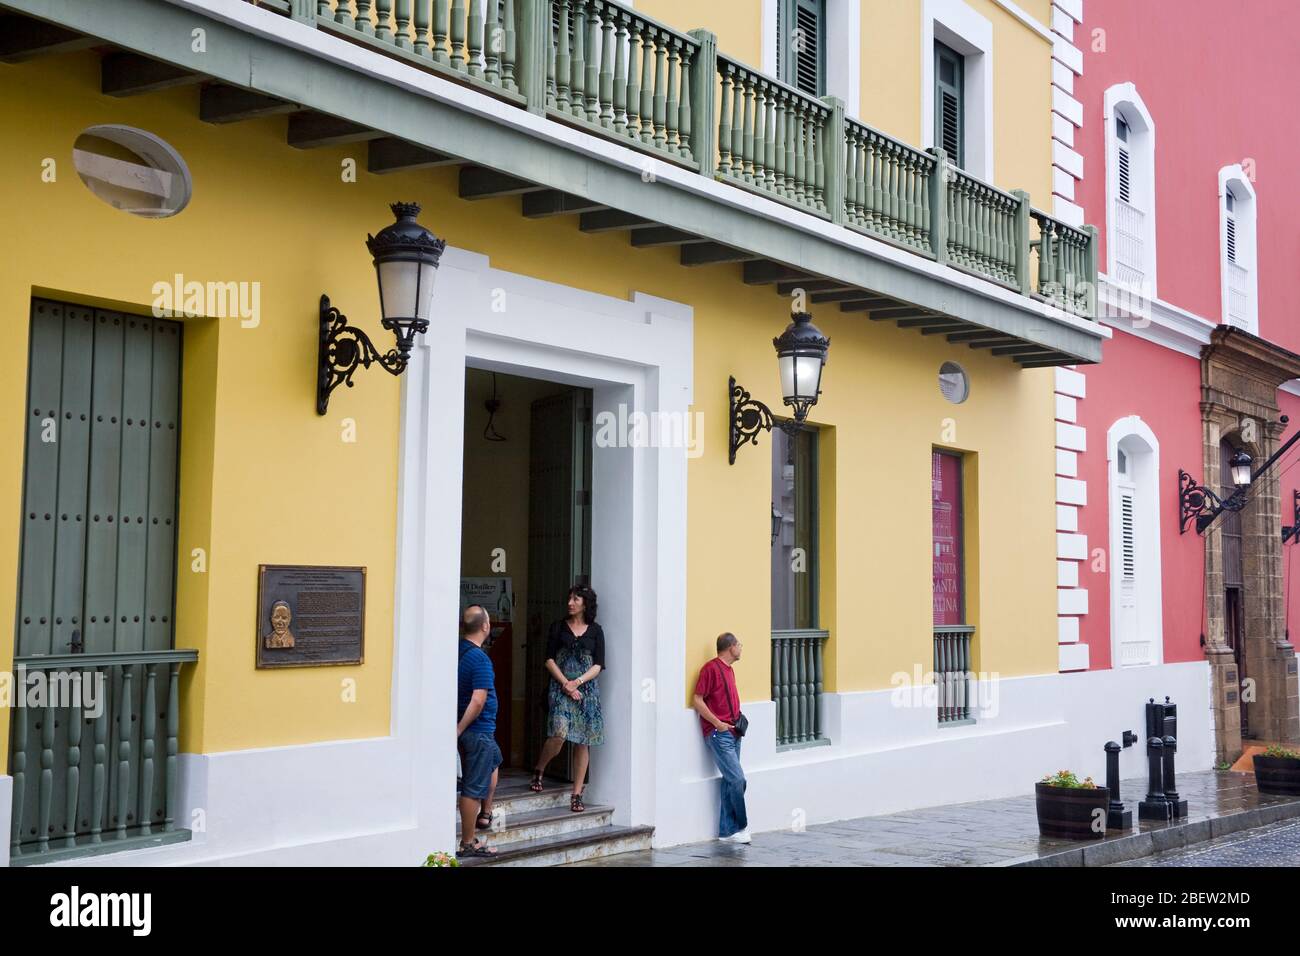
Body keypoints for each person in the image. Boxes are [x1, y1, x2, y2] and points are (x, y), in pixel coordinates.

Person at [529, 585, 605, 813]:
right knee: (559, 734)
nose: (570, 602)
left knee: (583, 741)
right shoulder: (558, 627)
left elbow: (599, 664)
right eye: (569, 598)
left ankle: (576, 793)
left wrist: (577, 683)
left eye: (576, 599)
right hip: (560, 688)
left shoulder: (596, 631)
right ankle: (540, 767)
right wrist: (565, 684)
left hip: (586, 692)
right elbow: (549, 659)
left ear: (586, 603)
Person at [692, 632, 750, 844]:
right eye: (739, 644)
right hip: (719, 734)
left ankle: (726, 832)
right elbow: (697, 700)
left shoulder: (730, 670)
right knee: (738, 779)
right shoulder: (710, 669)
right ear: (730, 647)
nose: (741, 648)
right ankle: (742, 826)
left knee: (729, 780)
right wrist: (717, 723)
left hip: (734, 732)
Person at [456, 605, 501, 858]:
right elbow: (478, 700)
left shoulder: (459, 650)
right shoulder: (480, 658)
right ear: (485, 626)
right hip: (478, 730)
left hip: (482, 733)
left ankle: (486, 814)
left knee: (494, 761)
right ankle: (468, 843)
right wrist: (459, 729)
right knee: (473, 787)